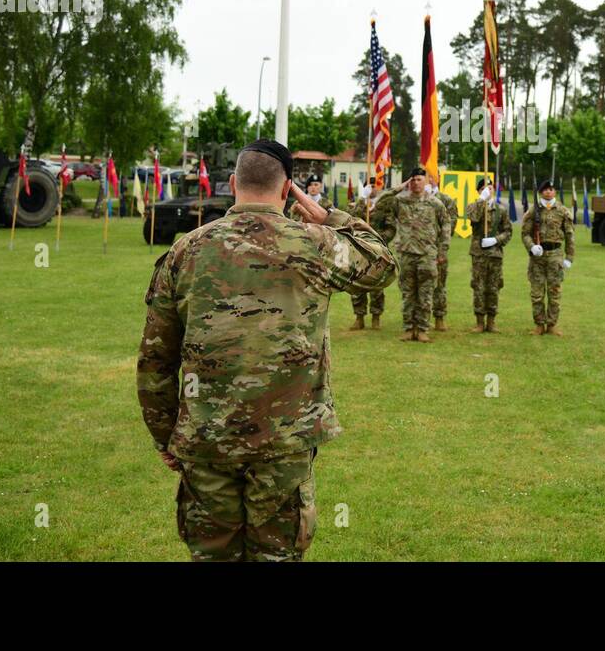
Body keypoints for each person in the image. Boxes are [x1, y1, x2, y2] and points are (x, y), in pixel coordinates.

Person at [137, 139, 396, 561]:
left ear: (233, 184)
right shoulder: (314, 242)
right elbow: (383, 265)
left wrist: (165, 435)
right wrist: (331, 216)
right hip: (284, 442)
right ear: (286, 188)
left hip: (206, 440)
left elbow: (155, 358)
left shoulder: (187, 249)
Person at [392, 166, 449, 342]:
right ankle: (409, 328)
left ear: (425, 181)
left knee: (425, 293)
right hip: (406, 253)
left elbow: (445, 226)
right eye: (413, 180)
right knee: (407, 293)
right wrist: (399, 187)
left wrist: (443, 250)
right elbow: (383, 202)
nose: (416, 183)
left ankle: (423, 329)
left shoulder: (435, 203)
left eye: (419, 179)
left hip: (427, 255)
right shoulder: (400, 201)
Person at [521, 179, 575, 336]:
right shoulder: (533, 211)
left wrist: (569, 257)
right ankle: (539, 324)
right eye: (545, 189)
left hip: (556, 255)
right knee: (537, 293)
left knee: (554, 291)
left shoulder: (563, 211)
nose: (548, 192)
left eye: (551, 189)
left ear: (555, 191)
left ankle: (551, 324)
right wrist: (531, 246)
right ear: (540, 192)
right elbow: (525, 233)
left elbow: (570, 235)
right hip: (538, 256)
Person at [345, 183, 397, 329]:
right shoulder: (359, 204)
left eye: (376, 186)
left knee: (377, 284)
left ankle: (376, 317)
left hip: (378, 251)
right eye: (370, 185)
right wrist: (362, 199)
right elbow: (350, 218)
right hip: (358, 249)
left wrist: (378, 240)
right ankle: (359, 316)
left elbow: (391, 228)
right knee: (357, 282)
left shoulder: (384, 206)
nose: (373, 189)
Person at [465, 176, 512, 332]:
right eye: (484, 188)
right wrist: (481, 200)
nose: (488, 190)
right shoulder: (474, 206)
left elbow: (508, 232)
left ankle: (491, 321)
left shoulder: (501, 210)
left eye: (490, 188)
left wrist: (495, 240)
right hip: (478, 254)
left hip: (495, 254)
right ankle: (479, 322)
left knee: (493, 287)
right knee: (478, 287)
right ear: (479, 191)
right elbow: (473, 217)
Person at [427, 174, 458, 330]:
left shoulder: (446, 200)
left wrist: (441, 245)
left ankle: (439, 318)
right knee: (422, 286)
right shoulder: (415, 199)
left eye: (431, 176)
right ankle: (422, 319)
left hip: (438, 249)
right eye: (426, 176)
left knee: (439, 285)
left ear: (438, 179)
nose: (428, 179)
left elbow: (451, 224)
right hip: (420, 250)